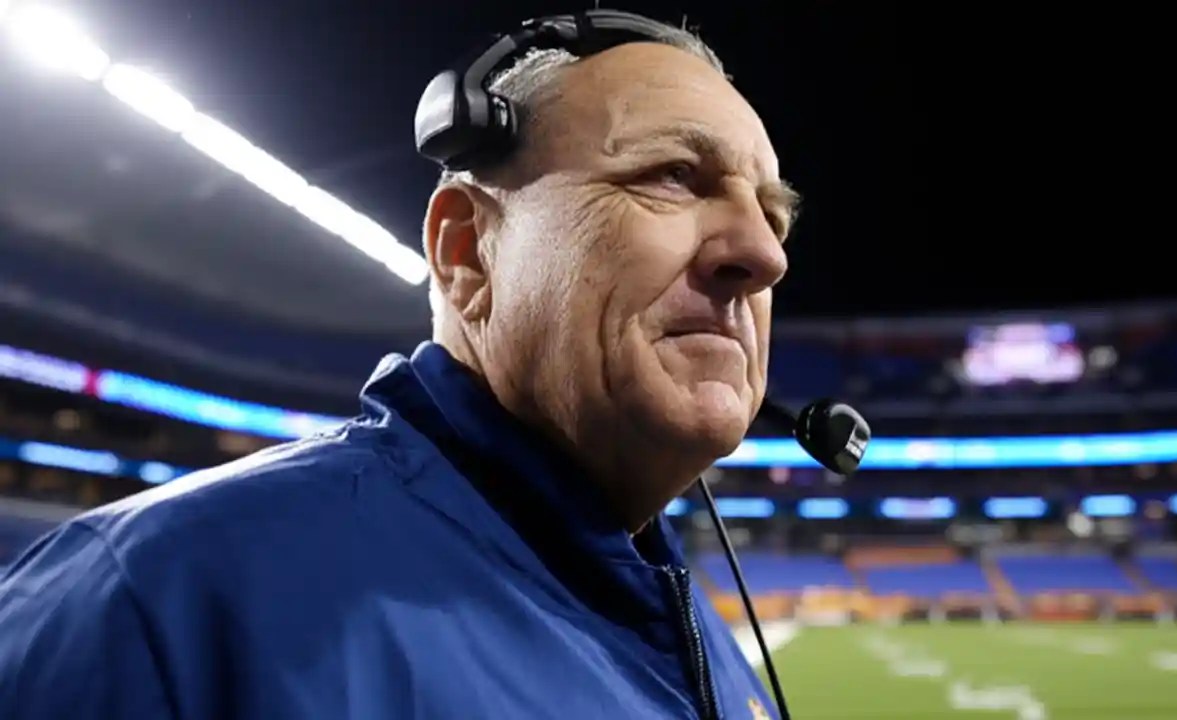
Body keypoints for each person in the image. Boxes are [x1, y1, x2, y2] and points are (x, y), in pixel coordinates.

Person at [0, 12, 798, 720]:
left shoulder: (708, 651)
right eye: (672, 176)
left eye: (772, 214)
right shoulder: (160, 606)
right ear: (466, 255)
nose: (764, 255)